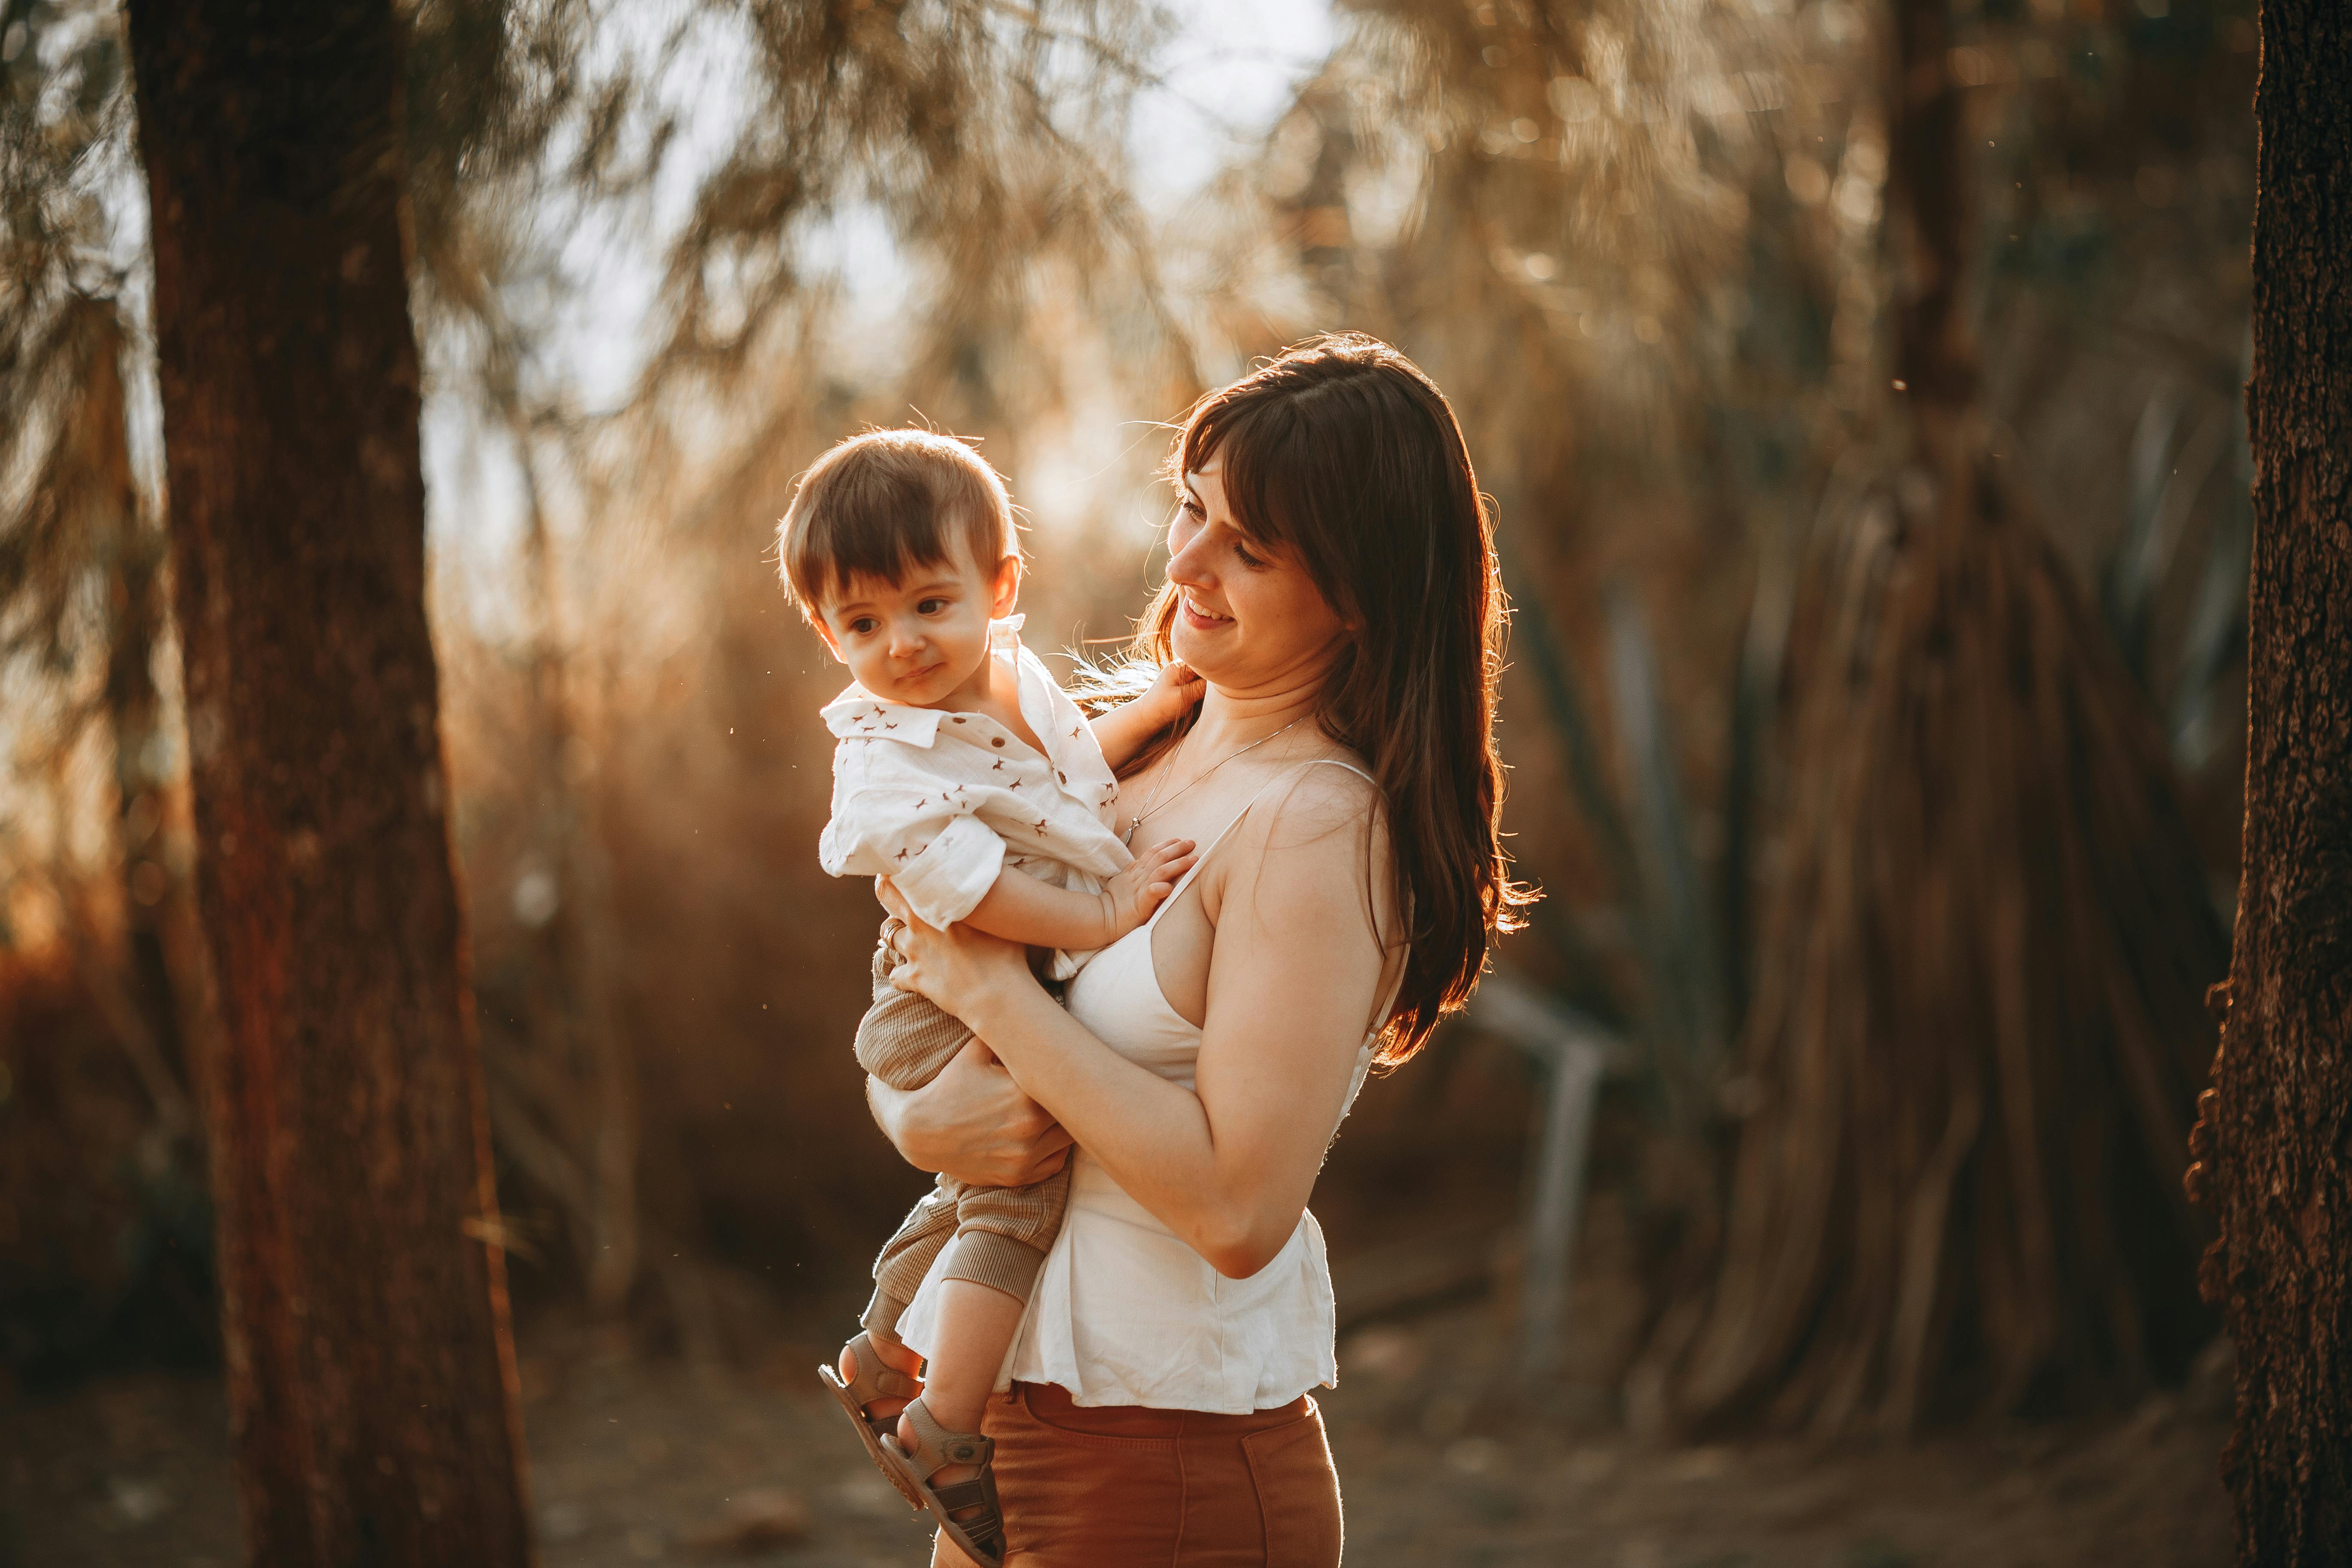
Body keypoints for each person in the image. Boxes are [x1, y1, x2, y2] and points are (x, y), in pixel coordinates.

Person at [858, 334, 1531, 1565]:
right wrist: (918, 1124)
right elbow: (925, 996)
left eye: (1249, 549)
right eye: (1191, 508)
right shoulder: (1129, 750)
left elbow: (1237, 1208)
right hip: (1005, 1444)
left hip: (1161, 1472)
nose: (1187, 562)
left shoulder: (1315, 822)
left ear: (1363, 590)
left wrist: (999, 1002)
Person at [776, 428, 1204, 1565]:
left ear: (998, 586)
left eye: (928, 605)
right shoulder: (882, 764)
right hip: (937, 995)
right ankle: (943, 1427)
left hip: (999, 973)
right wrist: (1111, 918)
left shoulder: (1012, 683)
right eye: (863, 626)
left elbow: (1058, 800)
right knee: (1018, 1198)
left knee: (983, 1188)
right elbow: (982, 894)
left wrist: (1159, 715)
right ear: (827, 634)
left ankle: (880, 1356)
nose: (903, 645)